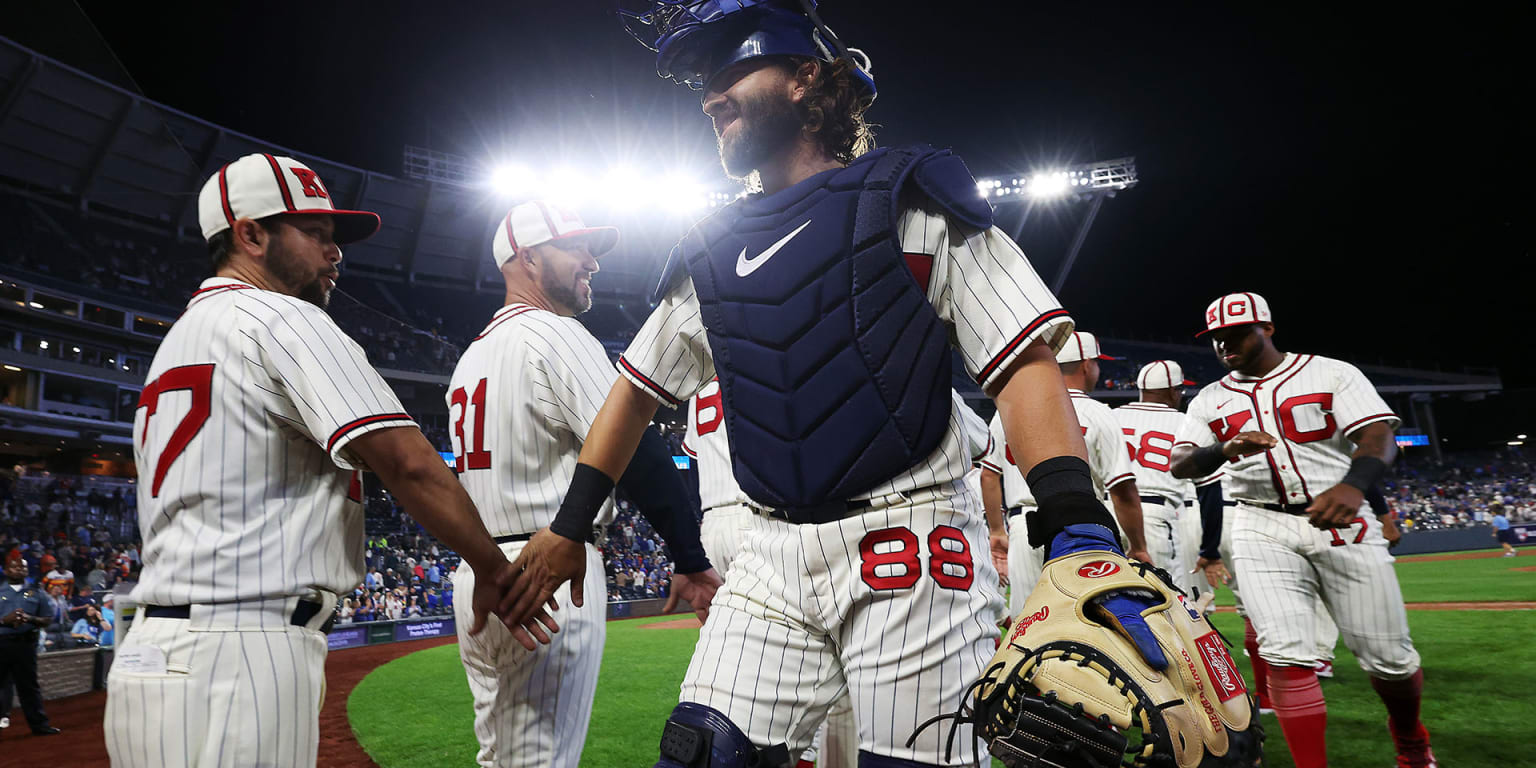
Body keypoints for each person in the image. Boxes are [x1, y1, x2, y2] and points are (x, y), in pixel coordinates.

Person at [503, 4, 1167, 765]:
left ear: (805, 79)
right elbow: (634, 390)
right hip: (767, 553)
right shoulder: (709, 252)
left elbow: (1020, 362)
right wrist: (570, 523)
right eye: (703, 86)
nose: (710, 97)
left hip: (914, 543)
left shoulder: (909, 198)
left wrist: (1076, 519)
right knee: (701, 755)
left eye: (730, 71)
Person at [104, 154, 523, 767]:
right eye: (316, 234)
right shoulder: (281, 316)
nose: (336, 252)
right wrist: (493, 568)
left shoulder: (178, 339)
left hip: (152, 650)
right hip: (240, 651)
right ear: (250, 234)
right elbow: (407, 463)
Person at [447, 200, 719, 768]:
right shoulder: (556, 333)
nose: (591, 262)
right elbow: (634, 445)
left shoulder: (469, 359)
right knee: (542, 760)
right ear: (527, 259)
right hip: (548, 571)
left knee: (500, 756)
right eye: (575, 248)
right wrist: (690, 557)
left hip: (480, 575)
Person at [1171, 292, 1433, 768]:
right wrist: (1225, 448)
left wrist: (1355, 486)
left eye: (1236, 334)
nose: (1224, 345)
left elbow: (1377, 436)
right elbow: (1181, 462)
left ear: (1267, 329)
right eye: (1216, 339)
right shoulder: (1209, 398)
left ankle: (1412, 741)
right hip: (1257, 522)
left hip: (1342, 518)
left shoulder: (1331, 372)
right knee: (1286, 654)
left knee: (1389, 658)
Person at [983, 332, 1148, 613]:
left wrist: (997, 529)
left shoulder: (1007, 410)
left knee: (1029, 625)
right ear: (1086, 365)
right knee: (1086, 621)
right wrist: (1138, 545)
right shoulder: (1098, 412)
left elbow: (989, 475)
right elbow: (1122, 490)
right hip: (1082, 527)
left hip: (1023, 527)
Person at [1112, 360, 1205, 596]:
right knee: (1165, 599)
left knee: (1110, 597)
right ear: (1175, 391)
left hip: (1108, 509)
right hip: (1154, 515)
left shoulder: (1111, 416)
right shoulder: (1185, 422)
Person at [0, 553, 61, 737]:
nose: (19, 570)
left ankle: (39, 725)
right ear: (5, 569)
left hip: (26, 644)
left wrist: (30, 619)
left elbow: (48, 619)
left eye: (23, 567)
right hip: (1, 643)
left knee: (29, 686)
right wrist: (4, 620)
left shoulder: (38, 592)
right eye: (14, 567)